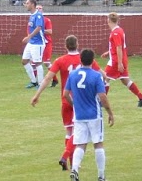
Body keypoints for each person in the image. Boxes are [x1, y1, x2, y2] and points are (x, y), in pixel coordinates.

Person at [31, 33, 95, 171]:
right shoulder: (84, 58)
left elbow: (48, 78)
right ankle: (66, 158)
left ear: (66, 46)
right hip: (81, 101)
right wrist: (107, 79)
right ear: (77, 45)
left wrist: (37, 94)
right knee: (79, 132)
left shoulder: (60, 60)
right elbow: (99, 72)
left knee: (69, 131)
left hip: (66, 100)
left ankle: (70, 163)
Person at [66, 49, 114, 181]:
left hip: (79, 115)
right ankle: (101, 176)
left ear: (80, 60)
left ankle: (74, 170)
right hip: (94, 115)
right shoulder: (96, 76)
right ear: (93, 61)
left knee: (80, 144)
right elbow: (102, 96)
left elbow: (65, 94)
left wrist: (75, 105)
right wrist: (110, 112)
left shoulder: (73, 75)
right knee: (98, 143)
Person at [104, 11, 142, 106]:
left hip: (116, 61)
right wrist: (108, 52)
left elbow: (119, 47)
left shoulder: (115, 33)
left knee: (105, 78)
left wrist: (119, 63)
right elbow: (117, 46)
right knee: (125, 80)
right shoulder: (119, 30)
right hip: (122, 59)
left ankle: (101, 102)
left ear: (109, 20)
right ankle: (141, 98)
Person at [21, 0, 48, 88]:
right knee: (24, 61)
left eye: (27, 3)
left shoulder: (38, 15)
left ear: (32, 4)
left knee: (37, 63)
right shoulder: (31, 15)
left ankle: (40, 83)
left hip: (38, 43)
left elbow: (38, 28)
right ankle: (33, 81)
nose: (26, 5)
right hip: (31, 42)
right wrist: (29, 38)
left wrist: (29, 37)